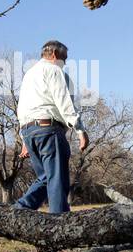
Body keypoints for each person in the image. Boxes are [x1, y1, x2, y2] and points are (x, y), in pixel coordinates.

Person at [14, 40, 89, 213]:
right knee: (57, 180)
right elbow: (64, 102)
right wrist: (80, 130)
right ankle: (60, 223)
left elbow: (23, 106)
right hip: (49, 131)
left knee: (46, 178)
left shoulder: (29, 75)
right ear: (55, 54)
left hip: (29, 131)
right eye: (64, 58)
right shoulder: (54, 70)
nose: (65, 62)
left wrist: (24, 138)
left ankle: (19, 210)